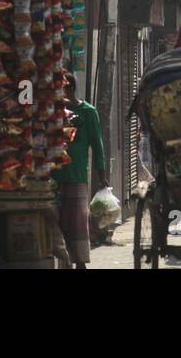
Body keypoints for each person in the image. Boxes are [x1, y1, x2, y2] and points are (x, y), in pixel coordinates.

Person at [52, 75, 107, 268]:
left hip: (77, 175)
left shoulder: (88, 112)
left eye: (61, 89)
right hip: (53, 176)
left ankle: (81, 261)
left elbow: (97, 145)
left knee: (78, 222)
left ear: (70, 89)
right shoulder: (52, 111)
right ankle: (63, 260)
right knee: (56, 221)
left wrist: (102, 175)